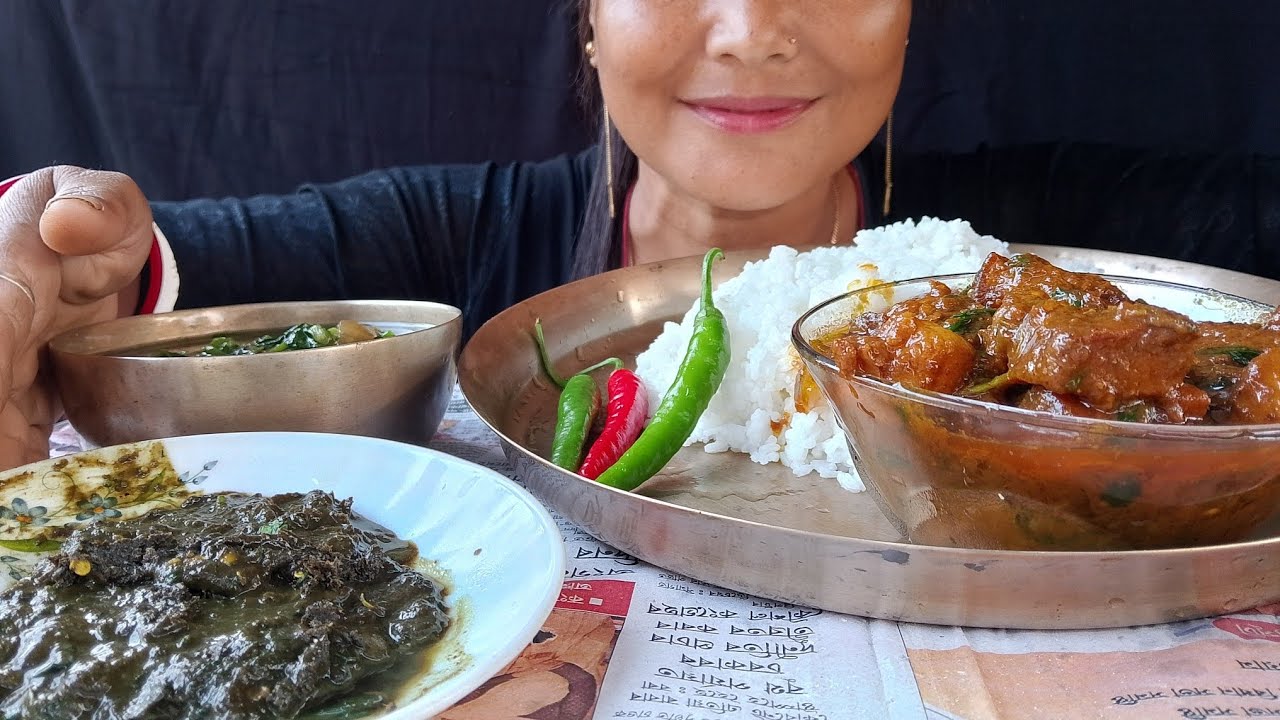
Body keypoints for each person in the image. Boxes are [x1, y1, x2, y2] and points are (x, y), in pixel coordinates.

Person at [0, 0, 911, 471]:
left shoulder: (1045, 222)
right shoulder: (446, 234)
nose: (752, 33)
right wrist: (56, 273)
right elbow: (148, 266)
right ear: (589, 22)